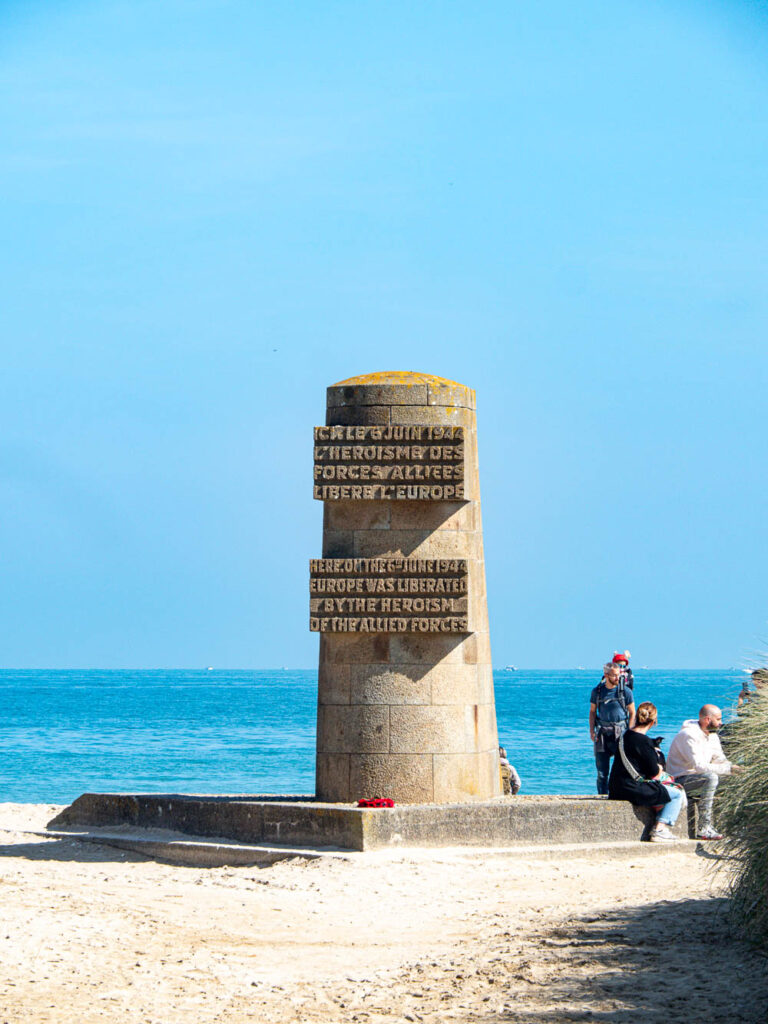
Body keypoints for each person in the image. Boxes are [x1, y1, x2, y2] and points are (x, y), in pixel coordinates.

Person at [609, 701, 685, 843]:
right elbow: (654, 773)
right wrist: (661, 767)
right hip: (631, 788)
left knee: (661, 790)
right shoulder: (644, 742)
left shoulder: (623, 737)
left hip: (615, 787)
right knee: (676, 794)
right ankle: (660, 829)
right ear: (654, 721)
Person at [666, 705, 742, 841]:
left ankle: (736, 826)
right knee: (711, 778)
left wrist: (732, 768)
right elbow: (699, 766)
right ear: (708, 719)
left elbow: (719, 759)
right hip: (680, 779)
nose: (720, 723)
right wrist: (728, 769)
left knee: (736, 780)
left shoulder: (712, 735)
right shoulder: (688, 735)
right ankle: (704, 827)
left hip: (698, 778)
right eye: (718, 719)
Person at [589, 662, 636, 795]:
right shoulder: (597, 692)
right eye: (614, 676)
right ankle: (602, 796)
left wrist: (631, 732)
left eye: (619, 675)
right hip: (602, 733)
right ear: (606, 675)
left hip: (620, 732)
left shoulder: (625, 692)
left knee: (622, 768)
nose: (618, 678)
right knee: (602, 773)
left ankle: (620, 795)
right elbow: (592, 711)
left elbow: (633, 712)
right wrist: (592, 730)